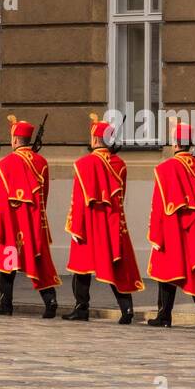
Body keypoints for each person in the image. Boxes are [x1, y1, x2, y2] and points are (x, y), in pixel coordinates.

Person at [61, 116, 143, 323]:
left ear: (96, 139)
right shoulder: (120, 164)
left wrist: (74, 225)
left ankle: (81, 308)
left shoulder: (83, 164)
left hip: (88, 223)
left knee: (81, 270)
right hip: (113, 221)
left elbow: (79, 200)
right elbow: (120, 196)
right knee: (117, 267)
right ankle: (127, 310)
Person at [147, 120, 195, 329]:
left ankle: (164, 316)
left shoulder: (165, 168)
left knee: (167, 272)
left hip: (172, 228)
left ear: (175, 143)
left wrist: (156, 234)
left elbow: (159, 204)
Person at [0, 115, 59, 318]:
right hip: (35, 221)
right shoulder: (41, 162)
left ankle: (6, 304)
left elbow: (1, 198)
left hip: (12, 223)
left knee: (8, 265)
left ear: (14, 139)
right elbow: (44, 194)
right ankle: (50, 300)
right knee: (39, 262)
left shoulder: (6, 163)